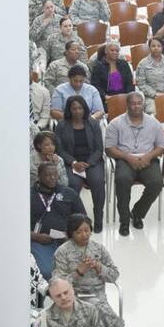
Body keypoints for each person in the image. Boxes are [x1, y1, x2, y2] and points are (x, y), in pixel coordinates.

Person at [105, 92, 164, 234]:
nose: (136, 106)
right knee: (122, 180)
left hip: (148, 158)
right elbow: (109, 149)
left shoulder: (154, 123)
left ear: (143, 104)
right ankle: (124, 221)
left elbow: (162, 146)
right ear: (127, 105)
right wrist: (128, 158)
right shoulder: (115, 123)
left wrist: (148, 157)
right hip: (125, 158)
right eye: (133, 103)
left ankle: (137, 213)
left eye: (139, 103)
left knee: (157, 183)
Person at [53, 214, 126, 327]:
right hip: (72, 296)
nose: (84, 235)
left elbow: (114, 275)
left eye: (87, 230)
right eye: (79, 232)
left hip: (97, 294)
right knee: (96, 309)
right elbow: (57, 285)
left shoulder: (99, 249)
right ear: (71, 233)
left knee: (97, 306)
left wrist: (98, 266)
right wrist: (78, 271)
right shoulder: (62, 252)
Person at [53, 95, 106, 229]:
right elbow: (59, 149)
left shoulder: (93, 123)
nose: (77, 111)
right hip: (71, 162)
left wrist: (88, 163)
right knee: (72, 184)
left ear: (85, 108)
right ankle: (77, 218)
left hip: (92, 161)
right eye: (74, 108)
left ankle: (98, 214)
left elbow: (99, 148)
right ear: (69, 110)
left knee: (98, 181)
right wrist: (73, 163)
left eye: (80, 108)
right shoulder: (62, 125)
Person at [31, 162, 83, 278]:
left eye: (55, 174)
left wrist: (72, 235)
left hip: (67, 241)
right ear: (39, 176)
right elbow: (17, 228)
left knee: (80, 270)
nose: (52, 178)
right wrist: (36, 236)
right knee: (47, 271)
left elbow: (84, 221)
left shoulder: (68, 193)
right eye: (48, 175)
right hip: (40, 242)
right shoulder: (28, 196)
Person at [135, 38, 164, 115]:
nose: (156, 48)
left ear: (162, 48)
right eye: (153, 46)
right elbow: (141, 84)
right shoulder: (143, 64)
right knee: (154, 113)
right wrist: (155, 94)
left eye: (159, 46)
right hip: (152, 98)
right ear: (149, 48)